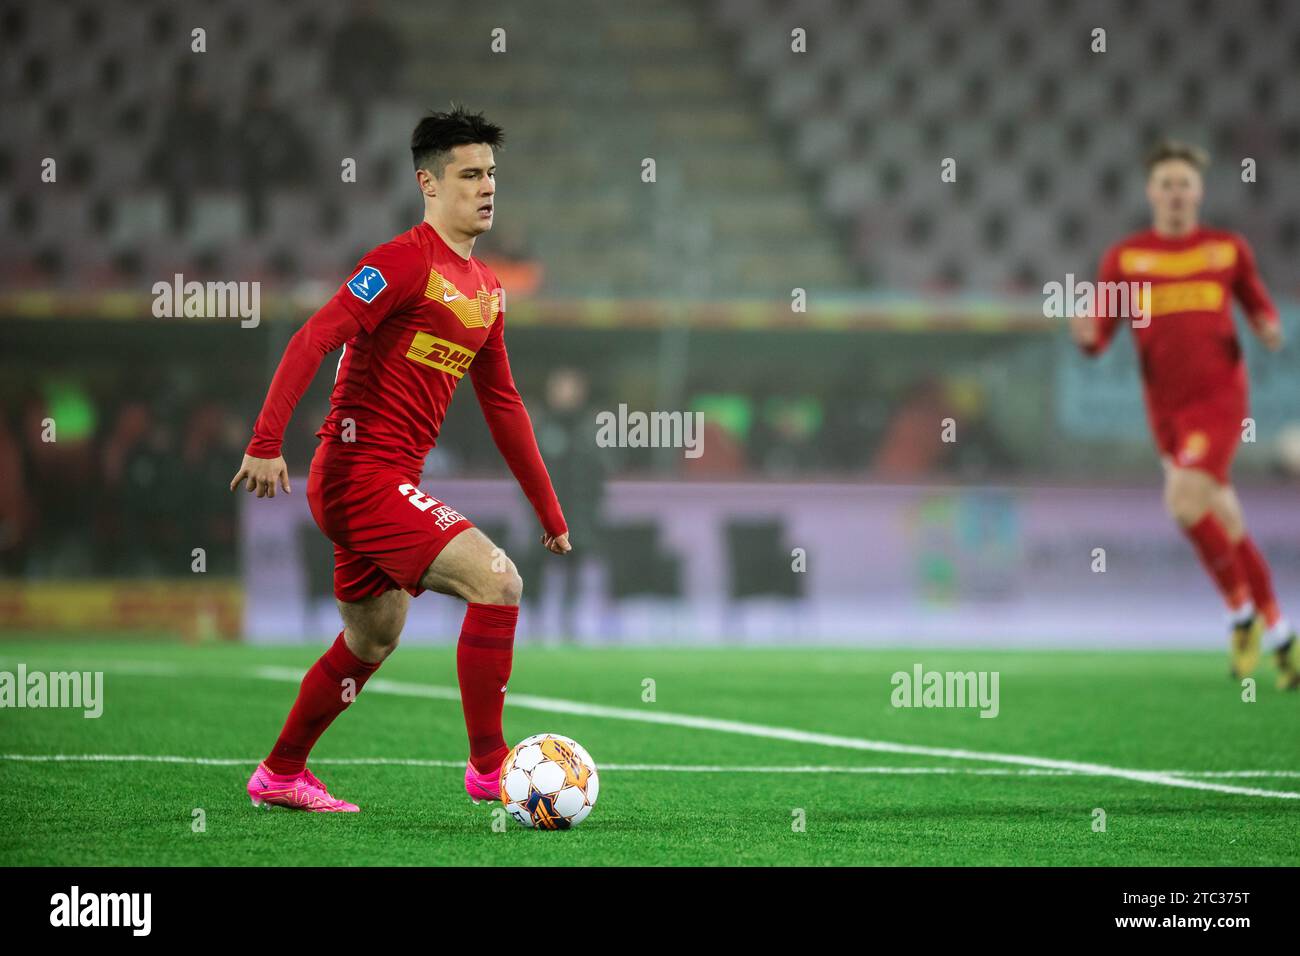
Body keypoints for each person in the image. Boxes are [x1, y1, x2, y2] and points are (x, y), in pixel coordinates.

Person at [230, 107, 571, 812]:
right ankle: (489, 769)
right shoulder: (399, 262)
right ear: (429, 183)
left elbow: (504, 406)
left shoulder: (485, 291)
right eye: (470, 175)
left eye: (493, 175)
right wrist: (266, 442)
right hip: (357, 477)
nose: (487, 188)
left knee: (371, 638)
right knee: (498, 581)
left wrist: (549, 508)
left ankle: (281, 773)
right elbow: (311, 339)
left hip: (390, 484)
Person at [1071, 140, 1295, 688]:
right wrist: (1084, 332)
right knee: (1226, 519)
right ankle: (1282, 635)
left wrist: (1267, 328)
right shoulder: (1126, 259)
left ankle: (1239, 613)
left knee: (1183, 500)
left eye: (1184, 184)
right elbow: (1098, 337)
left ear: (1198, 192)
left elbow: (1260, 308)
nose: (1175, 193)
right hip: (1164, 409)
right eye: (1166, 184)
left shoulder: (1225, 250)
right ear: (1151, 192)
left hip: (1218, 400)